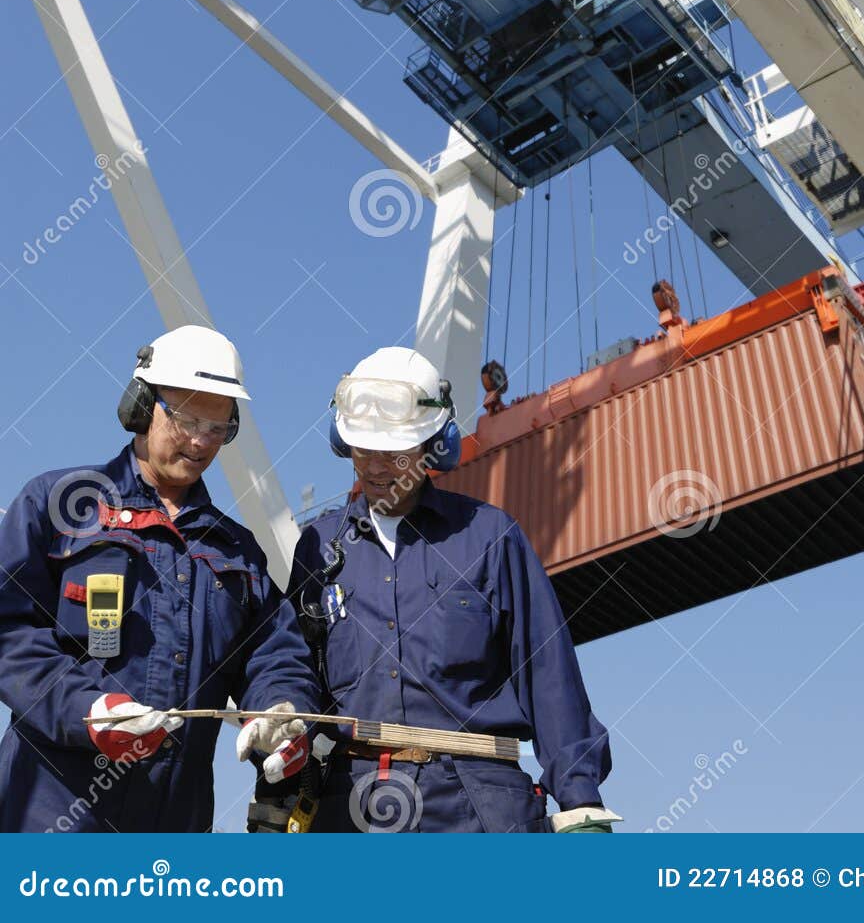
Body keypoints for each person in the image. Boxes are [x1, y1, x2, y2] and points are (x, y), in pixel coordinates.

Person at [0, 326, 320, 832]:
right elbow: (8, 632)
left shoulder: (234, 550)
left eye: (219, 429)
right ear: (140, 406)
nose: (199, 442)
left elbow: (273, 654)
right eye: (187, 420)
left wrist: (281, 711)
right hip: (50, 820)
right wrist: (86, 707)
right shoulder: (58, 507)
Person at [287, 347, 617, 833]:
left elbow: (549, 675)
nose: (376, 467)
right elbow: (290, 670)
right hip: (351, 809)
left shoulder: (491, 538)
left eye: (394, 452)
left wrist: (580, 801)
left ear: (432, 445)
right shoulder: (317, 548)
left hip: (478, 808)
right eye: (363, 450)